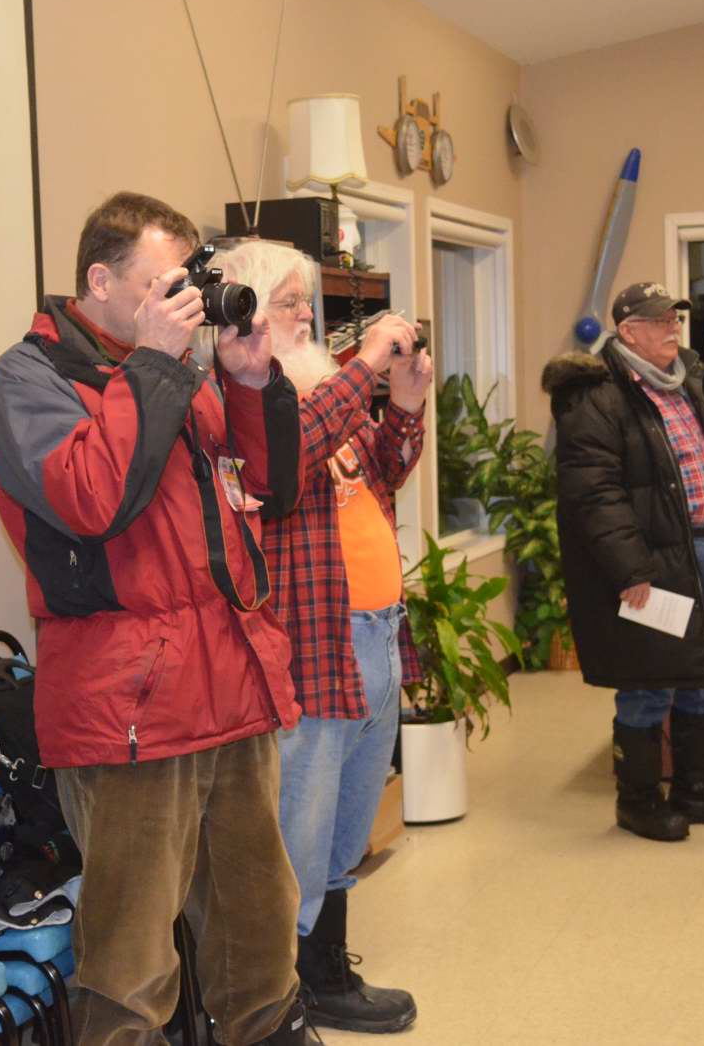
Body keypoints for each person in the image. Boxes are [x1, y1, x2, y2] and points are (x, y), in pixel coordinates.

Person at [0, 192, 307, 1045]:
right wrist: (159, 367)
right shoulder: (28, 378)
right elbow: (92, 500)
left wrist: (245, 379)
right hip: (126, 706)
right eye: (163, 283)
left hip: (228, 683)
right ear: (99, 279)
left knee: (259, 926)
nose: (182, 304)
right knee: (130, 965)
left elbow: (267, 490)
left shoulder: (170, 372)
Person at [217, 240, 430, 1035]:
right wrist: (366, 369)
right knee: (297, 832)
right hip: (311, 641)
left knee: (343, 823)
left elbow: (382, 472)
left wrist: (404, 404)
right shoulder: (249, 400)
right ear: (240, 313)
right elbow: (287, 459)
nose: (307, 315)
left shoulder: (319, 389)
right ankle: (283, 993)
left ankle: (327, 972)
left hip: (374, 633)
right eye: (287, 301)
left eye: (307, 300)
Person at [542, 282, 704, 843]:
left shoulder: (683, 382)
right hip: (655, 565)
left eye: (675, 318)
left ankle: (698, 788)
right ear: (629, 331)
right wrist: (631, 570)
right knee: (648, 682)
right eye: (660, 320)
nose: (673, 328)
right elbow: (594, 494)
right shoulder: (595, 395)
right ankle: (638, 800)